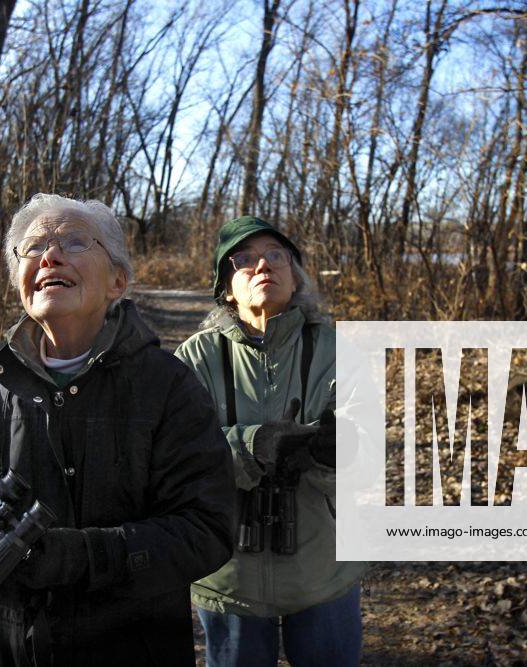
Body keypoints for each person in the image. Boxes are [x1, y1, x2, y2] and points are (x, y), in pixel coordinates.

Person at [0, 194, 236, 665]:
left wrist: (88, 555)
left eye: (75, 242)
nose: (50, 256)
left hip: (135, 648)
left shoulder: (168, 386)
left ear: (118, 282)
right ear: (19, 280)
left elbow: (208, 528)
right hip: (2, 650)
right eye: (33, 247)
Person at [175, 216, 366, 666]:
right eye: (244, 259)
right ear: (226, 288)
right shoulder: (195, 358)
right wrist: (253, 445)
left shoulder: (338, 350)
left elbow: (369, 453)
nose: (263, 265)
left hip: (325, 569)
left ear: (295, 278)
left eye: (275, 256)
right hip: (228, 577)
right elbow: (177, 457)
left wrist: (335, 452)